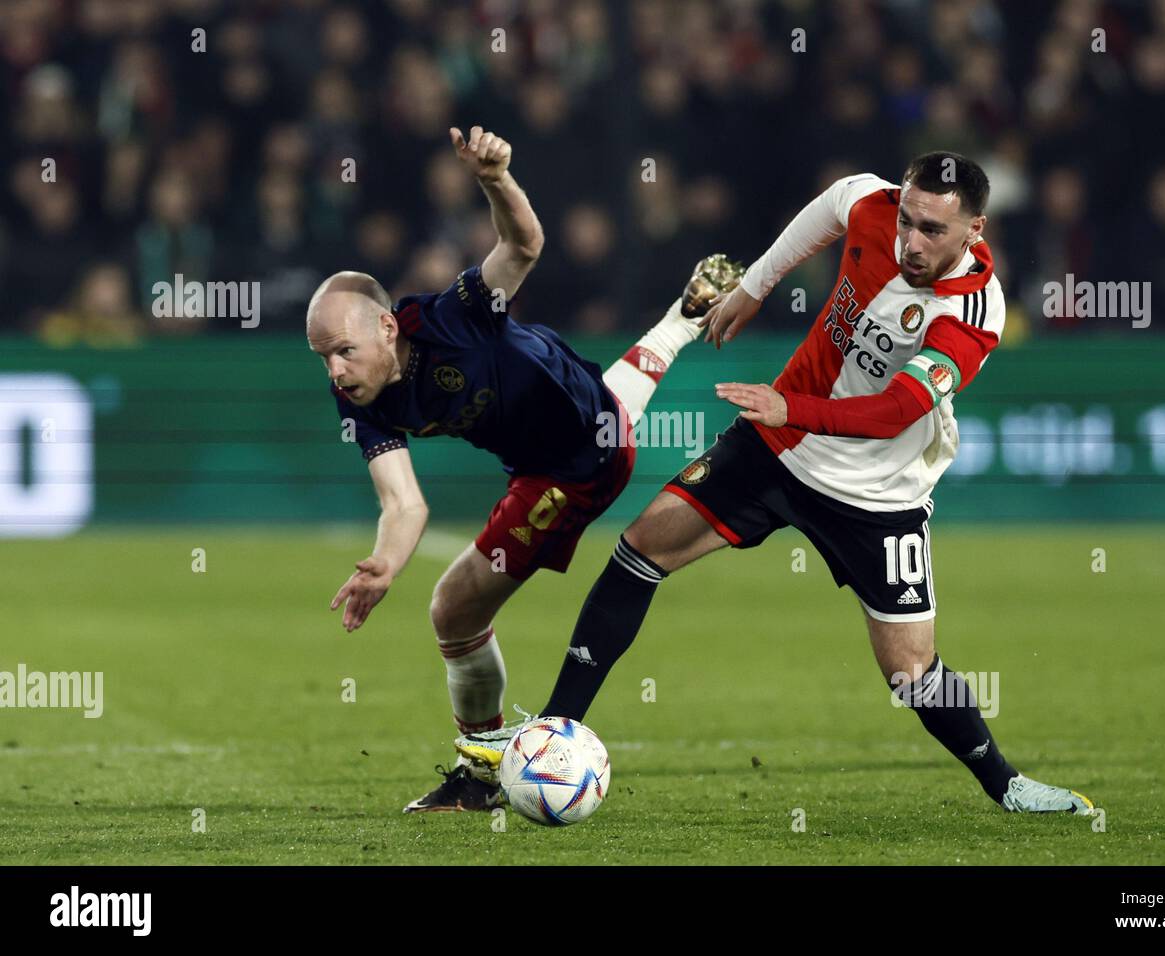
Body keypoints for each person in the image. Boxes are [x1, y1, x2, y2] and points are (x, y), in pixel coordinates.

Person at [458, 152, 1094, 815]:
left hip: (876, 493)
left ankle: (1008, 785)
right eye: (907, 219)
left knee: (911, 672)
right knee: (641, 547)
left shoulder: (973, 312)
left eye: (932, 230)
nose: (910, 240)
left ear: (975, 230)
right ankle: (551, 734)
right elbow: (827, 208)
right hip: (776, 446)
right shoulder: (870, 203)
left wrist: (795, 408)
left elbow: (898, 411)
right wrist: (756, 286)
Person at [306, 124, 741, 812]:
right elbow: (403, 504)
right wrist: (386, 561)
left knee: (453, 608)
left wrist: (493, 178)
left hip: (571, 472)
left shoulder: (455, 317)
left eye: (342, 350)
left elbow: (524, 245)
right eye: (322, 357)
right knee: (611, 412)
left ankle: (481, 778)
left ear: (387, 328)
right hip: (576, 405)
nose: (334, 369)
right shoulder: (358, 399)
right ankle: (680, 323)